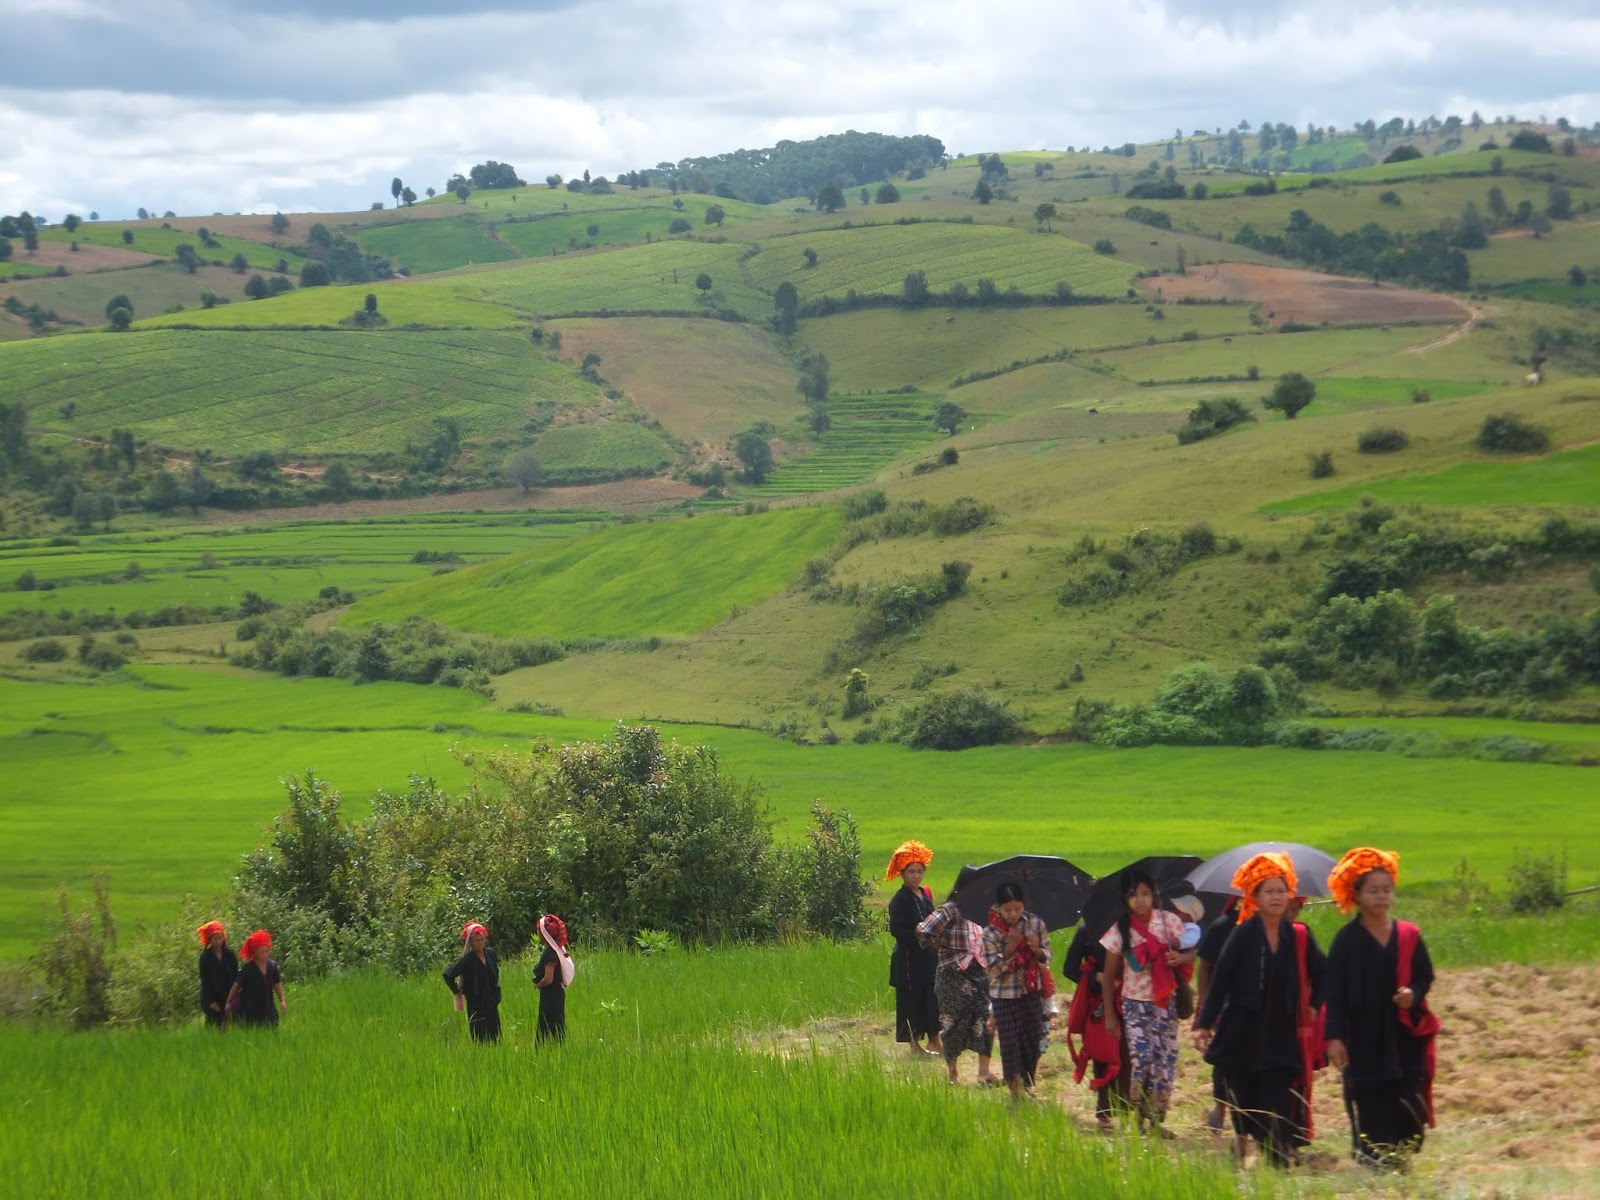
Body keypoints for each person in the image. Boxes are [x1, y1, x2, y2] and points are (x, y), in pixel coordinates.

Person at [1193, 853, 1324, 1168]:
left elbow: (1324, 974)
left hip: (1281, 1031)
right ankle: (1244, 1146)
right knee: (1242, 1093)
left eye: (1282, 891)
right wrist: (1204, 1023)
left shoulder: (1297, 936)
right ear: (1255, 896)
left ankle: (1278, 1157)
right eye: (1270, 891)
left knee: (1277, 1094)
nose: (1277, 897)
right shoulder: (1242, 934)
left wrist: (1314, 1003)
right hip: (1241, 1030)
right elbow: (1221, 978)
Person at [1324, 848, 1438, 1170]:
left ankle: (1402, 1158)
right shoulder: (1346, 941)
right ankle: (1376, 1165)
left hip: (1404, 1036)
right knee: (1371, 1103)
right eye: (1373, 890)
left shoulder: (1409, 935)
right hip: (1363, 1037)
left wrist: (1412, 993)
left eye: (1386, 890)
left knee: (1409, 1105)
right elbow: (1334, 993)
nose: (1381, 896)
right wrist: (1334, 1038)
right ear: (1356, 895)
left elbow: (1424, 975)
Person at [1100, 869, 1191, 1131]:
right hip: (1134, 1003)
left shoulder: (1170, 922)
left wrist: (1180, 958)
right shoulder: (1120, 931)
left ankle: (1155, 1119)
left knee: (1165, 1062)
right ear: (1125, 899)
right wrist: (1109, 1015)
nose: (1140, 900)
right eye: (1134, 895)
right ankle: (1139, 1116)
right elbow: (1108, 976)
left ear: (1153, 895)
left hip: (1166, 1002)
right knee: (1142, 1060)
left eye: (1145, 894)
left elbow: (1192, 953)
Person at [980, 882, 1051, 1099]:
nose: (1013, 914)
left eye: (1017, 909)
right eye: (1007, 910)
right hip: (1004, 995)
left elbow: (1047, 957)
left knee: (1032, 1039)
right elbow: (991, 969)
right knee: (1010, 1043)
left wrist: (1037, 950)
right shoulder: (990, 933)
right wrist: (1009, 948)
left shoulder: (1036, 924)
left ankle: (1028, 1081)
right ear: (999, 908)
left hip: (1031, 991)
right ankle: (1015, 1091)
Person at [917, 900, 997, 1086]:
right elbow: (923, 930)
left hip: (978, 974)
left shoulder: (985, 911)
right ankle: (953, 1074)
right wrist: (941, 947)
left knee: (985, 1018)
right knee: (952, 1023)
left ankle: (984, 1073)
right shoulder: (951, 909)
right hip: (952, 975)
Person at [1062, 919, 1129, 1129]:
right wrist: (1096, 977)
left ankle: (1128, 1106)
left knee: (1128, 1052)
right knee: (1103, 1051)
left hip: (1130, 996)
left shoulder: (1131, 928)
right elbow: (1069, 968)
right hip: (1097, 1000)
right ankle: (1104, 1107)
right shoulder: (1086, 931)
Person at [885, 840, 941, 1057]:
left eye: (919, 871)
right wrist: (920, 936)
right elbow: (897, 930)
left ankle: (935, 1040)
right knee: (911, 1001)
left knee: (932, 997)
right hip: (909, 960)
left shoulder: (925, 895)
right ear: (902, 874)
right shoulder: (899, 900)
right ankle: (914, 1045)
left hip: (928, 958)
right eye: (911, 872)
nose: (916, 876)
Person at [1194, 897, 1240, 1135]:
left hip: (1261, 1008)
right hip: (1225, 1007)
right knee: (1223, 1060)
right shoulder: (1223, 926)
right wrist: (1204, 1006)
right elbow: (1205, 966)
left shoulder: (1276, 927)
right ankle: (1221, 1110)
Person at [443, 921, 502, 1043]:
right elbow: (448, 975)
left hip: (491, 1000)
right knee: (480, 1036)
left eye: (482, 940)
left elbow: (495, 972)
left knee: (495, 1034)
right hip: (476, 1002)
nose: (480, 943)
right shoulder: (468, 960)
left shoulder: (491, 953)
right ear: (470, 942)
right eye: (477, 941)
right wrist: (457, 990)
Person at [225, 930, 285, 1029]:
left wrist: (282, 1000)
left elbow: (277, 984)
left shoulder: (272, 966)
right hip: (252, 1011)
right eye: (262, 952)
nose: (265, 955)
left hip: (269, 1009)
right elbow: (236, 986)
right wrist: (228, 1002)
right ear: (254, 952)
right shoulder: (248, 969)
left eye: (266, 951)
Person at [533, 914, 573, 1044]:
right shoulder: (558, 950)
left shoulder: (550, 953)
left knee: (546, 1024)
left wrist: (538, 985)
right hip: (558, 993)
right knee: (557, 1022)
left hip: (550, 995)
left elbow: (548, 978)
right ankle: (558, 1048)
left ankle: (544, 1049)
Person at [196, 920, 236, 1029]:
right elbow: (205, 981)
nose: (218, 941)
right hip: (212, 996)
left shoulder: (230, 955)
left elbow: (235, 977)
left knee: (230, 1025)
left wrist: (233, 997)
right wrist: (210, 1001)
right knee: (214, 1026)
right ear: (210, 940)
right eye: (215, 938)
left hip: (228, 995)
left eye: (220, 938)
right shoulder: (205, 958)